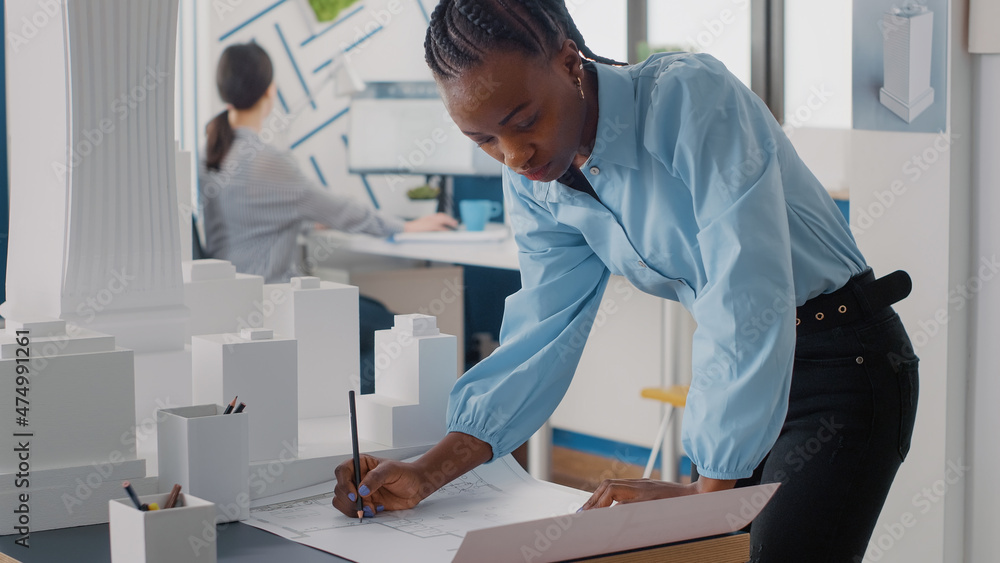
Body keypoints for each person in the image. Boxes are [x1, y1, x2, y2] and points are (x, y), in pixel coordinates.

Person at [332, 1, 919, 560]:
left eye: (524, 120)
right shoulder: (539, 180)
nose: (513, 155)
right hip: (747, 380)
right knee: (708, 555)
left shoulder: (689, 98)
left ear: (569, 62)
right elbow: (541, 332)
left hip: (843, 365)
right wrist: (427, 472)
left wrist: (705, 496)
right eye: (483, 139)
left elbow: (744, 290)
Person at [199, 43, 458, 391]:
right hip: (276, 302)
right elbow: (342, 211)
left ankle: (335, 394)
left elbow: (250, 215)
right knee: (396, 334)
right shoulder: (267, 161)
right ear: (270, 91)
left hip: (236, 305)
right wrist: (407, 225)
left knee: (372, 312)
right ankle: (339, 398)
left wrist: (301, 217)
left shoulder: (210, 153)